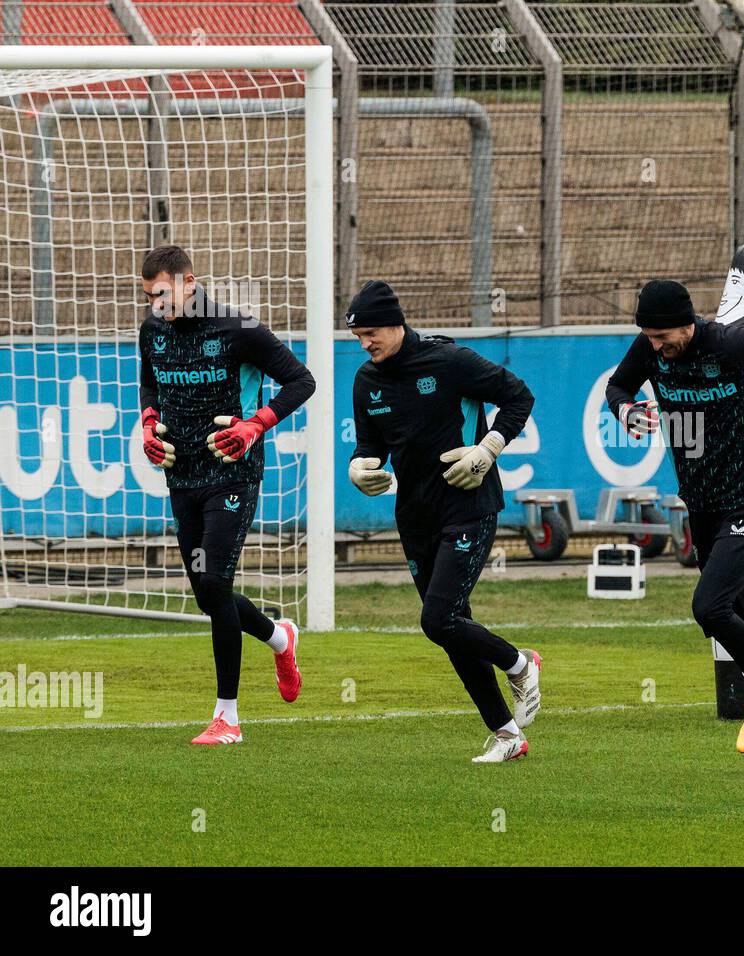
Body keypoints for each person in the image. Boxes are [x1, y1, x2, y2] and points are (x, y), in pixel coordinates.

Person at [606, 279, 744, 777]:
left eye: (662, 337)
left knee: (709, 607)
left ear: (688, 323)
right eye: (648, 337)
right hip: (702, 504)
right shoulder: (650, 348)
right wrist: (625, 408)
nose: (654, 347)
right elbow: (616, 386)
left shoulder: (731, 344)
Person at [346, 280, 541, 763]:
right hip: (414, 518)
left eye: (371, 332)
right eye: (357, 336)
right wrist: (360, 467)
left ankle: (520, 662)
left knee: (438, 620)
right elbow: (370, 446)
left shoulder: (450, 362)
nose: (365, 343)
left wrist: (488, 449)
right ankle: (506, 734)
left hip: (468, 509)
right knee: (454, 627)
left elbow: (519, 397)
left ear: (397, 322)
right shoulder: (365, 381)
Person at [137, 244, 315, 745]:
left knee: (215, 580)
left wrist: (257, 424)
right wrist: (149, 426)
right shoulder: (153, 330)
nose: (156, 304)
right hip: (182, 475)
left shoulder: (239, 330)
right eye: (150, 295)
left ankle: (228, 718)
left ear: (189, 282)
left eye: (163, 293)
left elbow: (302, 381)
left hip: (233, 473)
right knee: (206, 594)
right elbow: (150, 384)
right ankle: (280, 638)